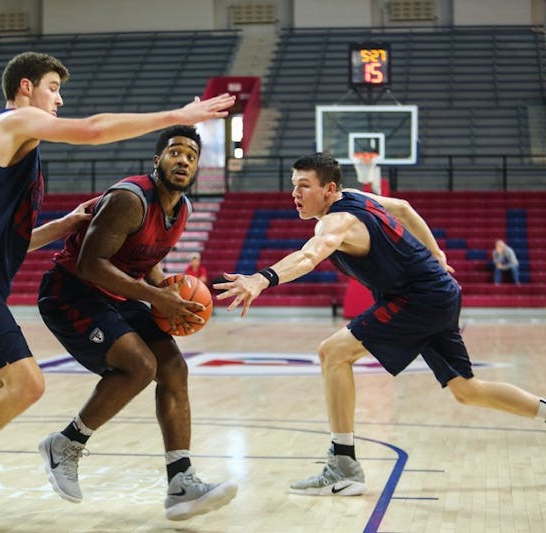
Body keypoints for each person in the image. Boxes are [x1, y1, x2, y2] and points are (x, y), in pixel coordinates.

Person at [0, 51, 234, 533]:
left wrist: (64, 225)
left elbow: (14, 240)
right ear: (26, 87)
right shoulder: (12, 122)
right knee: (27, 384)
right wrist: (180, 115)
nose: (59, 98)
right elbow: (93, 129)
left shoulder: (19, 150)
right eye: (52, 87)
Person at [214, 152, 546, 496]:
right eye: (293, 186)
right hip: (438, 294)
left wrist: (262, 278)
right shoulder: (356, 196)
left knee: (333, 354)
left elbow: (309, 256)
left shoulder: (335, 221)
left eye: (304, 186)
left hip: (417, 299)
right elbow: (402, 207)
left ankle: (343, 466)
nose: (295, 194)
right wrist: (436, 254)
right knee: (467, 390)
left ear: (328, 189)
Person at [37, 126, 237, 521]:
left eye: (191, 156)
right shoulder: (129, 199)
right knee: (139, 365)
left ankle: (181, 482)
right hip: (71, 292)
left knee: (174, 367)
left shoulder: (183, 210)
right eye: (175, 152)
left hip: (119, 294)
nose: (183, 160)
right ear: (157, 160)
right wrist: (156, 296)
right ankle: (65, 445)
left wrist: (168, 294)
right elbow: (89, 264)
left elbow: (146, 258)